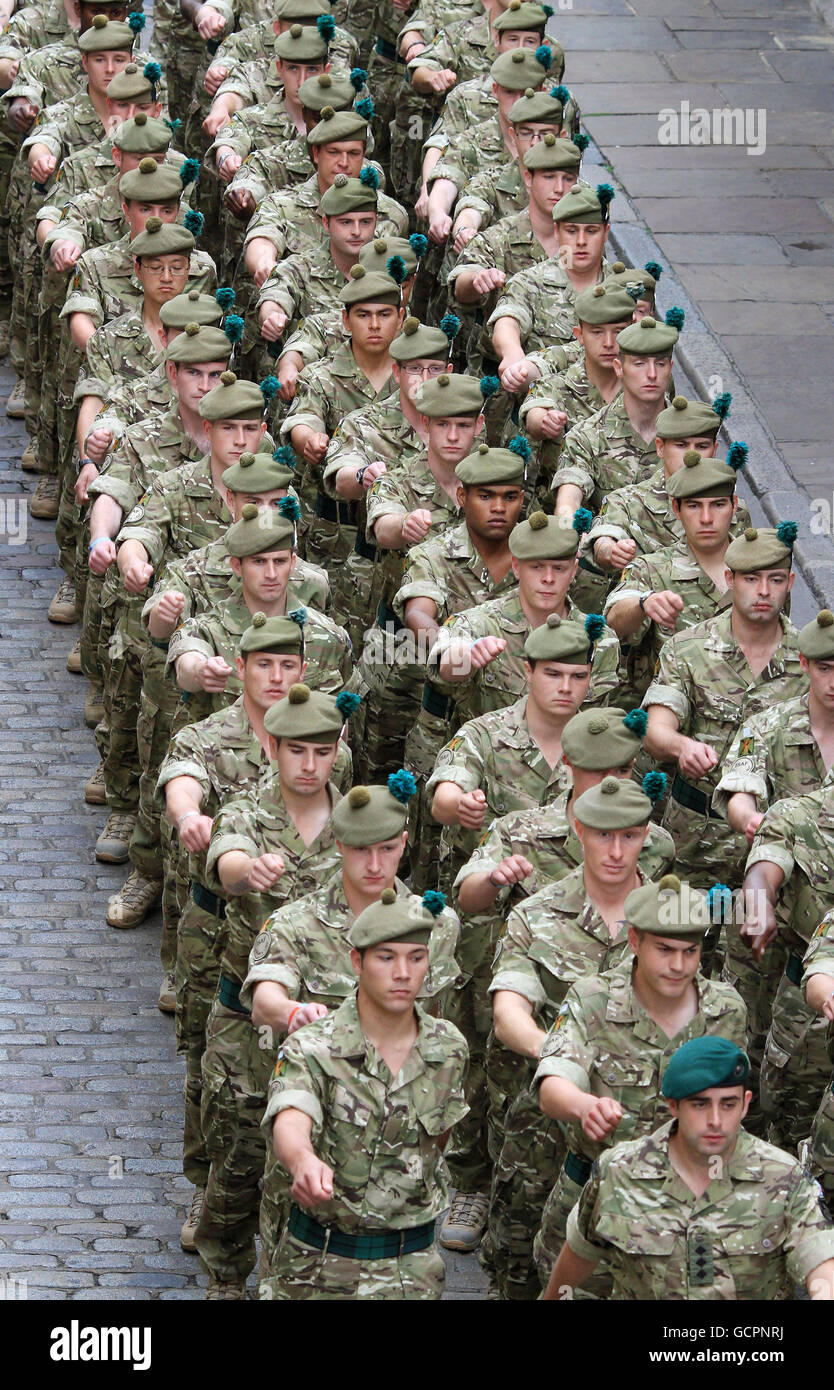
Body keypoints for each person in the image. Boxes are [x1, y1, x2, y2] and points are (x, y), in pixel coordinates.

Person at [242, 774, 462, 1272]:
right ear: (340, 845)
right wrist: (294, 1012)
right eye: (362, 850)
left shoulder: (438, 925)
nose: (375, 864)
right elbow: (264, 997)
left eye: (387, 849)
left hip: (405, 1149)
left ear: (405, 843)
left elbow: (444, 1021)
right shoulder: (298, 922)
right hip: (319, 1129)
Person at [194, 682, 358, 1297]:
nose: (310, 765)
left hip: (328, 1034)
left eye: (321, 751)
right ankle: (225, 1269)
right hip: (250, 1018)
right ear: (274, 748)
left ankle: (280, 1277)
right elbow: (228, 858)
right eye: (297, 752)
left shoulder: (354, 819)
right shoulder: (245, 811)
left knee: (302, 1164)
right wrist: (247, 871)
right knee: (237, 1154)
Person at [157, 611, 312, 1249]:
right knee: (209, 1060)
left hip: (297, 946)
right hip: (217, 922)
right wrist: (192, 816)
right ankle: (211, 1180)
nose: (276, 678)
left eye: (289, 665)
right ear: (242, 669)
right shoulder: (211, 736)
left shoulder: (317, 738)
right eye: (264, 665)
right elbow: (181, 783)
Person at [485, 772, 665, 1298]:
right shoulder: (536, 916)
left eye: (629, 836)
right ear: (578, 831)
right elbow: (509, 1009)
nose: (615, 850)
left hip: (640, 1127)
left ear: (646, 837)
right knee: (520, 1262)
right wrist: (559, 1055)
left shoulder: (673, 920)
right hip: (542, 1125)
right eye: (603, 835)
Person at [533, 874, 747, 1295]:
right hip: (595, 1204)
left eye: (691, 951)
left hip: (690, 1206)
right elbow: (553, 1079)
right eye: (664, 950)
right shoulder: (592, 998)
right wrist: (582, 1106)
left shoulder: (726, 1011)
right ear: (634, 941)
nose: (679, 965)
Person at [259, 886, 469, 1300]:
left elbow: (439, 1140)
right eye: (386, 958)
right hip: (317, 1268)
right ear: (358, 961)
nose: (403, 973)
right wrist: (302, 1161)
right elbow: (291, 1116)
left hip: (412, 1272)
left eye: (416, 958)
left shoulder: (448, 1049)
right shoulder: (314, 1047)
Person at [542, 1035, 834, 1301]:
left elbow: (820, 1261)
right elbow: (579, 1253)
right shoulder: (618, 1172)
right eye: (700, 1105)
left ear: (745, 1105)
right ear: (673, 1106)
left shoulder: (783, 1177)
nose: (716, 1120)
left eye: (728, 1105)